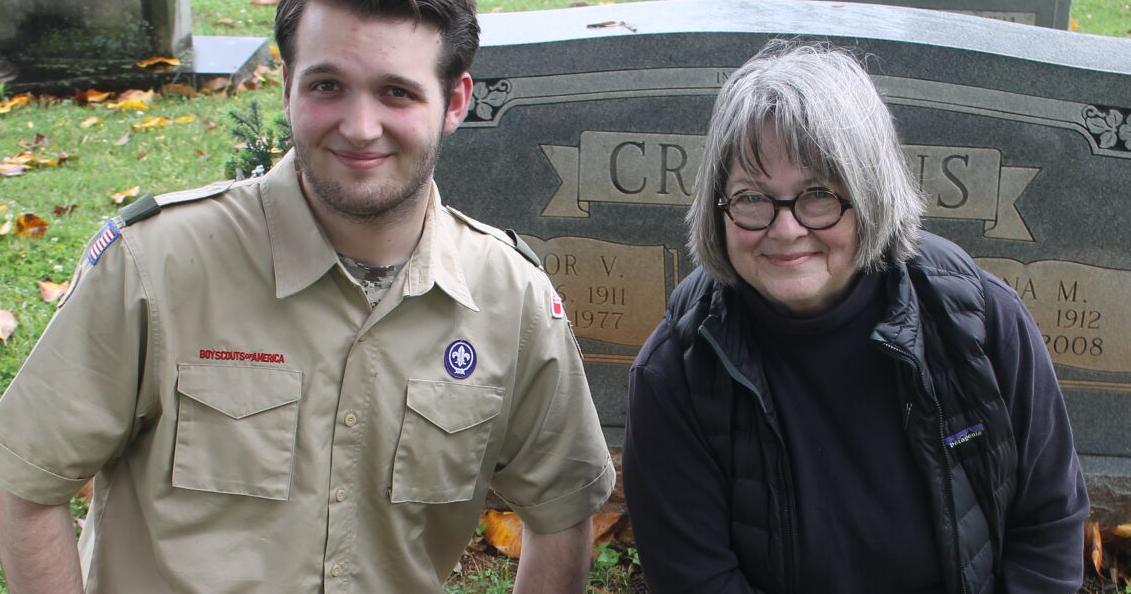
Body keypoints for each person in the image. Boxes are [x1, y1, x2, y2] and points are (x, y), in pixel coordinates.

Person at [0, 0, 614, 592]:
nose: (359, 128)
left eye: (396, 92)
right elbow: (24, 483)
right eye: (327, 86)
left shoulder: (511, 298)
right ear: (288, 86)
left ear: (454, 101)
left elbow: (563, 509)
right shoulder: (155, 264)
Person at [622, 42, 1088, 594]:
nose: (786, 229)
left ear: (869, 195)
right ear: (718, 208)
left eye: (818, 195)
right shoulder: (674, 371)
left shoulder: (981, 317)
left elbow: (1049, 523)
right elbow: (697, 579)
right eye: (752, 198)